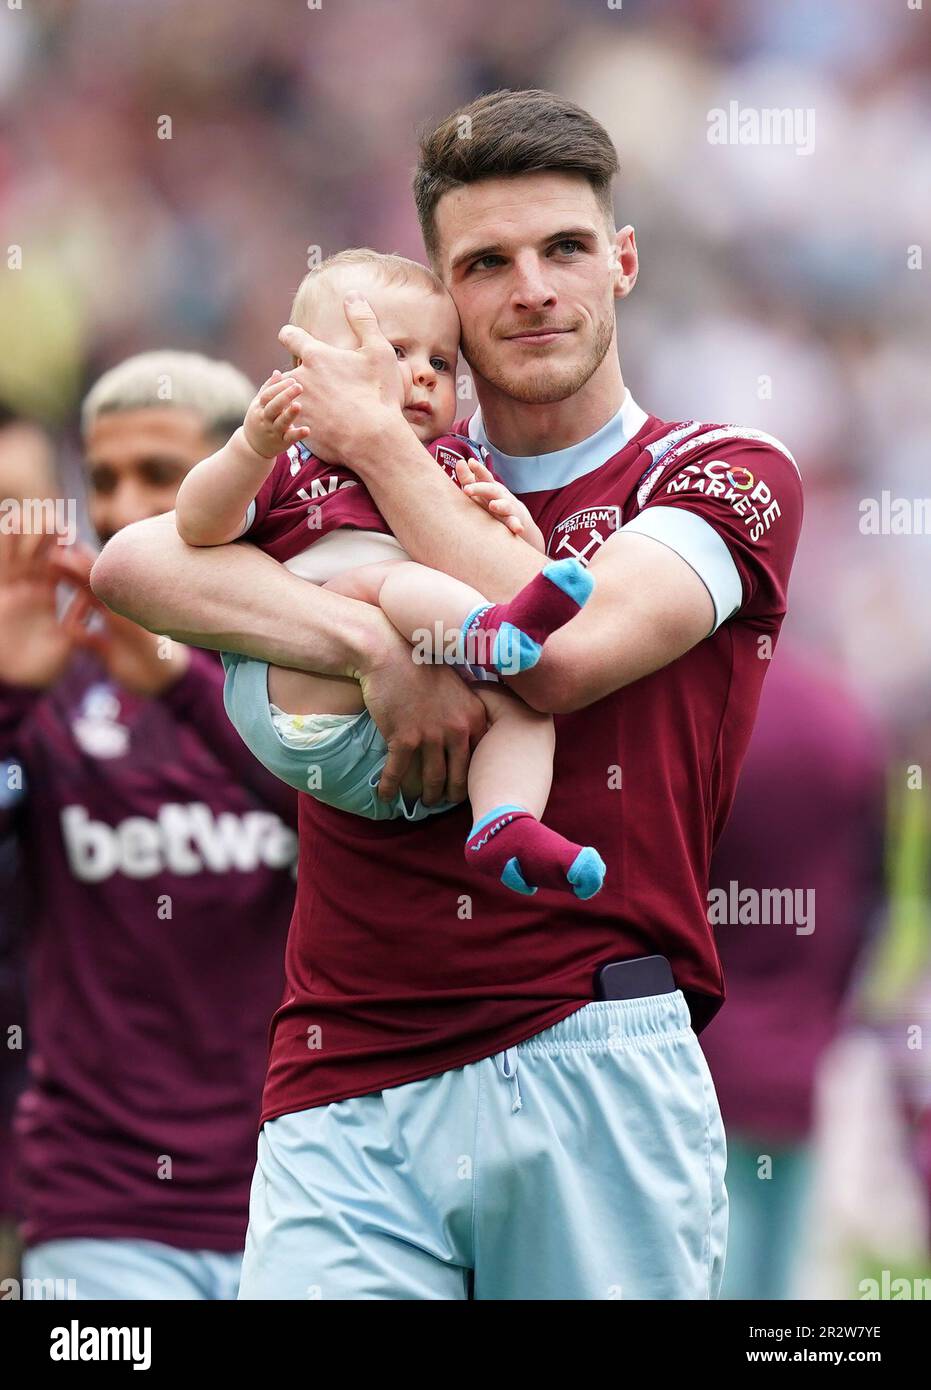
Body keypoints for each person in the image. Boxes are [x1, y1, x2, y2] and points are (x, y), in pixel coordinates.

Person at [92, 89, 803, 1300]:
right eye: (485, 263)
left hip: (588, 1039)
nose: (529, 288)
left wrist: (379, 454)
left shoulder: (719, 469)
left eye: (564, 249)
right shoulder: (327, 471)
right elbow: (135, 565)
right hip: (341, 1063)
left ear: (621, 263)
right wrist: (373, 646)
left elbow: (565, 650)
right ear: (438, 297)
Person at [0, 352, 299, 1300]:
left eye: (160, 476)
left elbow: (351, 824)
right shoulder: (48, 681)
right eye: (102, 479)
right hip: (100, 1214)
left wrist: (180, 689)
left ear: (239, 484)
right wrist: (7, 703)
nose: (125, 506)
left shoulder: (317, 662)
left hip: (313, 1201)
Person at [176, 248, 604, 899]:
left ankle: (504, 824)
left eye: (440, 362)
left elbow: (488, 563)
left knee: (527, 708)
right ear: (307, 371)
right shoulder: (288, 456)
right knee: (388, 585)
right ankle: (491, 635)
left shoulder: (450, 461)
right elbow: (196, 525)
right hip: (301, 691)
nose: (424, 376)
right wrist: (248, 447)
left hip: (418, 745)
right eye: (394, 351)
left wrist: (515, 525)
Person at [700, 644, 885, 1299]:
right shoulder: (840, 717)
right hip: (801, 1057)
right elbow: (872, 893)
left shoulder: (699, 713)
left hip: (698, 1060)